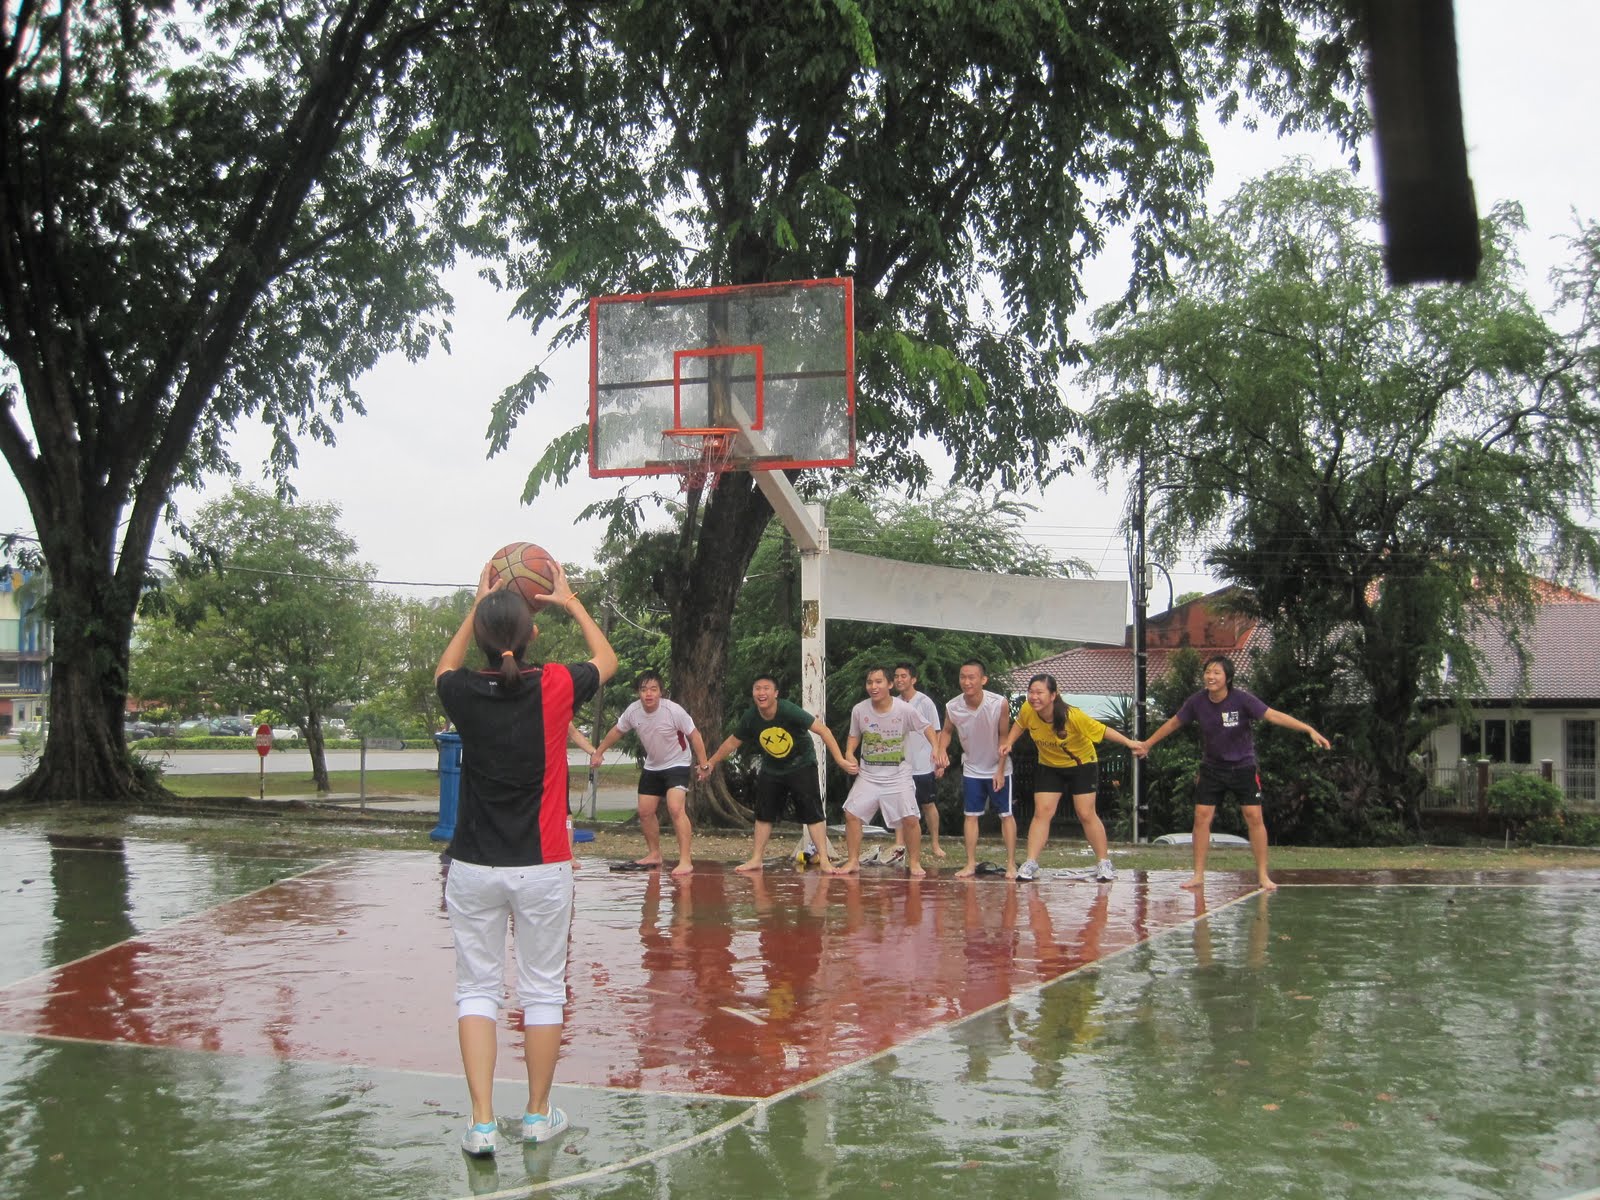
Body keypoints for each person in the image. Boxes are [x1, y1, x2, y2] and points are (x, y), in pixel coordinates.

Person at [434, 560, 617, 1157]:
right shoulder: (557, 684)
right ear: (533, 631)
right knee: (542, 991)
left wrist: (477, 605)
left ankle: (482, 1122)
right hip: (543, 866)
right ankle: (537, 1116)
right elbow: (608, 660)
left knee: (476, 992)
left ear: (484, 638)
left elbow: (444, 667)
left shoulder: (460, 690)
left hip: (474, 866)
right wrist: (569, 600)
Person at [1141, 654, 1330, 892]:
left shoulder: (1242, 700)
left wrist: (1308, 729)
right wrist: (1148, 743)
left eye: (1216, 673)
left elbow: (1272, 715)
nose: (1210, 676)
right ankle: (1198, 875)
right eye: (1208, 672)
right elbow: (1173, 723)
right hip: (1211, 768)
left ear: (1227, 678)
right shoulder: (1197, 701)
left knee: (1254, 817)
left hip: (1243, 768)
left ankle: (1263, 875)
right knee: (1201, 817)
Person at [698, 674, 858, 873]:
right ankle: (756, 859)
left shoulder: (789, 710)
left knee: (812, 813)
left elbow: (823, 731)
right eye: (757, 688)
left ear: (775, 693)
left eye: (766, 688)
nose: (761, 693)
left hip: (802, 763)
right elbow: (732, 742)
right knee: (764, 814)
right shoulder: (751, 717)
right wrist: (711, 763)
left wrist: (841, 760)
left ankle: (824, 859)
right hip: (772, 768)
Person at [1000, 673, 1146, 883]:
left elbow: (1103, 731)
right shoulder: (1027, 710)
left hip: (1081, 765)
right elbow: (1020, 724)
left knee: (1085, 813)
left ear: (1053, 695)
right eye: (1031, 692)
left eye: (1039, 692)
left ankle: (1104, 862)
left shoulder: (1072, 716)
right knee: (1042, 812)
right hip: (1049, 766)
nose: (1034, 697)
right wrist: (1010, 742)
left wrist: (1130, 743)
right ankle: (1031, 862)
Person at [590, 669, 709, 876]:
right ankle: (654, 854)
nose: (649, 694)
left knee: (675, 808)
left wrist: (704, 763)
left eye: (654, 689)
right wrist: (599, 752)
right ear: (638, 692)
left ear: (661, 692)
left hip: (678, 763)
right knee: (645, 812)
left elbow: (694, 734)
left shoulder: (674, 711)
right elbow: (617, 730)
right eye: (644, 689)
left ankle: (685, 859)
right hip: (653, 765)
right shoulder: (633, 711)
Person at [830, 666, 945, 877]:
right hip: (869, 775)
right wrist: (849, 753)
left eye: (878, 682)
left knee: (910, 818)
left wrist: (936, 749)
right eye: (869, 682)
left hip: (898, 776)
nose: (873, 686)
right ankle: (853, 861)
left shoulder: (904, 709)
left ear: (890, 684)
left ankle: (915, 862)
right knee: (851, 814)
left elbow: (927, 728)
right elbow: (854, 736)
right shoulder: (859, 710)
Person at [938, 659, 1019, 878]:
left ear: (983, 679)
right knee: (971, 815)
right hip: (972, 768)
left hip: (998, 767)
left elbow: (1004, 737)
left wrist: (1000, 770)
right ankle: (970, 863)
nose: (966, 681)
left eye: (972, 677)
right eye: (963, 677)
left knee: (1006, 815)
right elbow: (946, 732)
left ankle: (1011, 863)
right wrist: (941, 750)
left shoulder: (999, 703)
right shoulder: (952, 706)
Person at [880, 661, 945, 862]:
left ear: (913, 679)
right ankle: (900, 843)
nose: (899, 680)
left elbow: (937, 731)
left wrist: (939, 759)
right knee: (900, 805)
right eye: (897, 676)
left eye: (903, 676)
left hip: (924, 763)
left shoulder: (925, 702)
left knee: (928, 804)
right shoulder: (893, 703)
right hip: (900, 764)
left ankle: (935, 843)